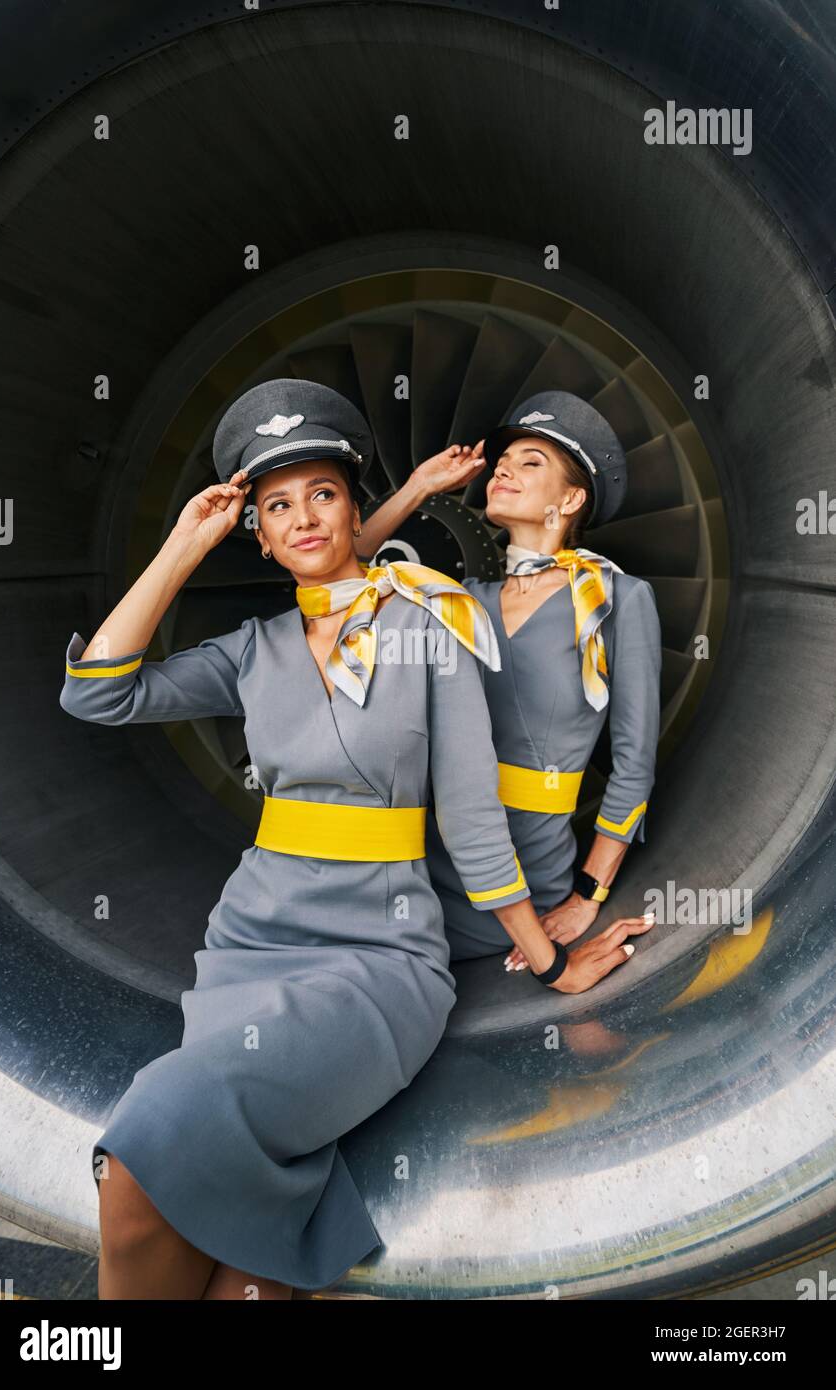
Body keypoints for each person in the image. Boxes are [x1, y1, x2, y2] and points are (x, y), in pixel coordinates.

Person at [59, 379, 654, 1301]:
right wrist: (183, 546)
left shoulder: (432, 625)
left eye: (324, 494)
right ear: (254, 531)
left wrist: (549, 962)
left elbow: (470, 816)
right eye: (276, 506)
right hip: (250, 951)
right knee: (243, 1282)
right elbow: (98, 691)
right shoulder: (252, 651)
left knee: (142, 1158)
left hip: (380, 958)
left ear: (353, 506)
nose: (304, 518)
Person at [357, 390, 662, 964]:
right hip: (417, 862)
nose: (504, 470)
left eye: (531, 462)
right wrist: (417, 489)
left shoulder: (616, 600)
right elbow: (341, 581)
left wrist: (587, 896)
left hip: (522, 877)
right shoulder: (462, 601)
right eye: (502, 463)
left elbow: (634, 763)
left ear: (571, 498)